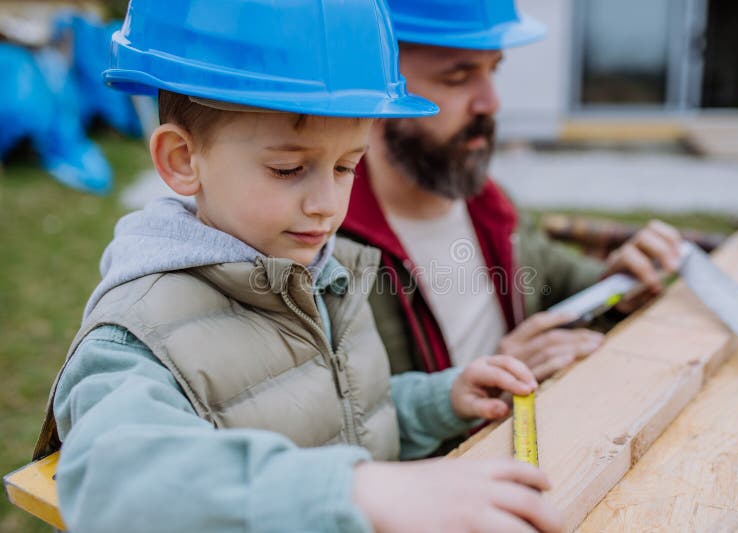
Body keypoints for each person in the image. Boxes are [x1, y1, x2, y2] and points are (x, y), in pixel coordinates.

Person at [32, 1, 563, 532]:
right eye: (289, 168)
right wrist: (357, 491)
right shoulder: (135, 336)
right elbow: (116, 480)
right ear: (182, 159)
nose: (327, 204)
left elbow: (344, 413)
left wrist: (440, 400)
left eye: (345, 166)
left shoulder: (321, 274)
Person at [341, 0, 684, 378]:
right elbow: (348, 425)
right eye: (457, 77)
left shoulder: (489, 205)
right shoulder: (325, 250)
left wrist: (616, 284)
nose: (491, 102)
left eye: (493, 70)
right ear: (374, 88)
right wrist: (476, 391)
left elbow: (556, 277)